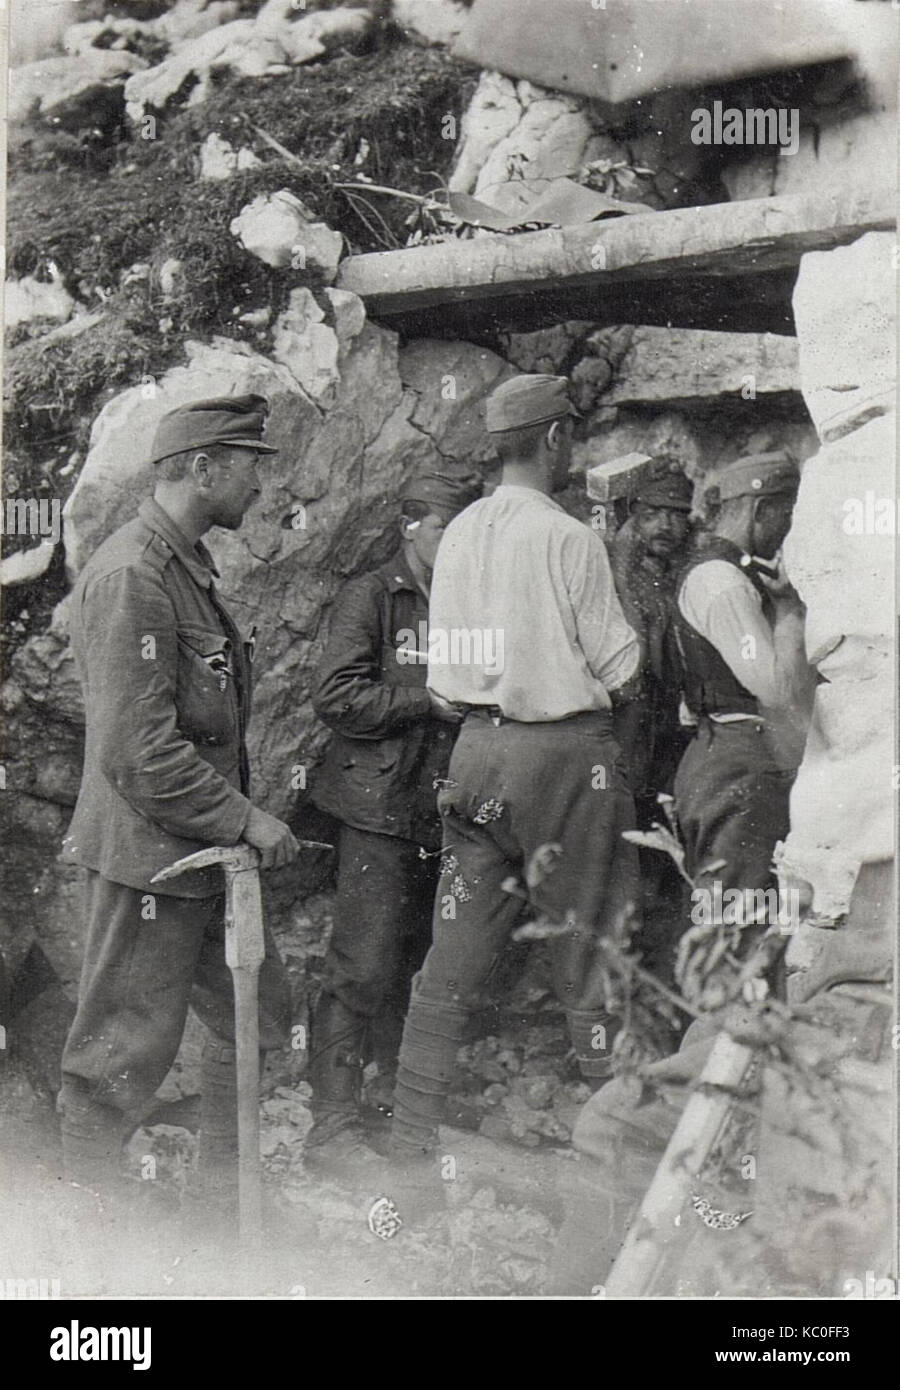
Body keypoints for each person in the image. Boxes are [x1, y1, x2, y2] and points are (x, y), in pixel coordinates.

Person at [380, 373, 645, 1201]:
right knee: (594, 949)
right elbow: (622, 666)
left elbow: (450, 670)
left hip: (476, 755)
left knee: (451, 957)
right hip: (563, 757)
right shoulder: (570, 538)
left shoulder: (457, 534)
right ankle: (620, 1165)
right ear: (558, 440)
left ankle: (409, 1144)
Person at [58, 394, 299, 1210]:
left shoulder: (186, 567)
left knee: (258, 1022)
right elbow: (138, 752)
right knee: (119, 1060)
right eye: (250, 467)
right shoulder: (134, 575)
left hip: (206, 862)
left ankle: (225, 1211)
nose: (261, 487)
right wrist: (246, 819)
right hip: (152, 863)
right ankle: (81, 1236)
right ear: (202, 469)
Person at [305, 464, 482, 1154]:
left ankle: (390, 1104)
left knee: (418, 958)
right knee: (361, 965)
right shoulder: (373, 595)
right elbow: (336, 696)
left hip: (440, 808)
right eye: (444, 528)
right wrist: (424, 702)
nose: (456, 542)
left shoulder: (466, 595)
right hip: (376, 809)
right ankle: (331, 1123)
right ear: (411, 527)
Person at [672, 451, 812, 932]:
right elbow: (773, 686)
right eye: (786, 515)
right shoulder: (724, 582)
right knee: (738, 927)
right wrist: (790, 610)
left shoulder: (719, 572)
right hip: (738, 767)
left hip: (722, 757)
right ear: (760, 511)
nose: (787, 531)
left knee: (734, 917)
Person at [608, 460, 693, 986]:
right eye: (653, 513)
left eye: (676, 515)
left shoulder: (683, 578)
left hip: (670, 753)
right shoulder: (611, 575)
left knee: (664, 876)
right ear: (632, 516)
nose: (665, 525)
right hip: (619, 753)